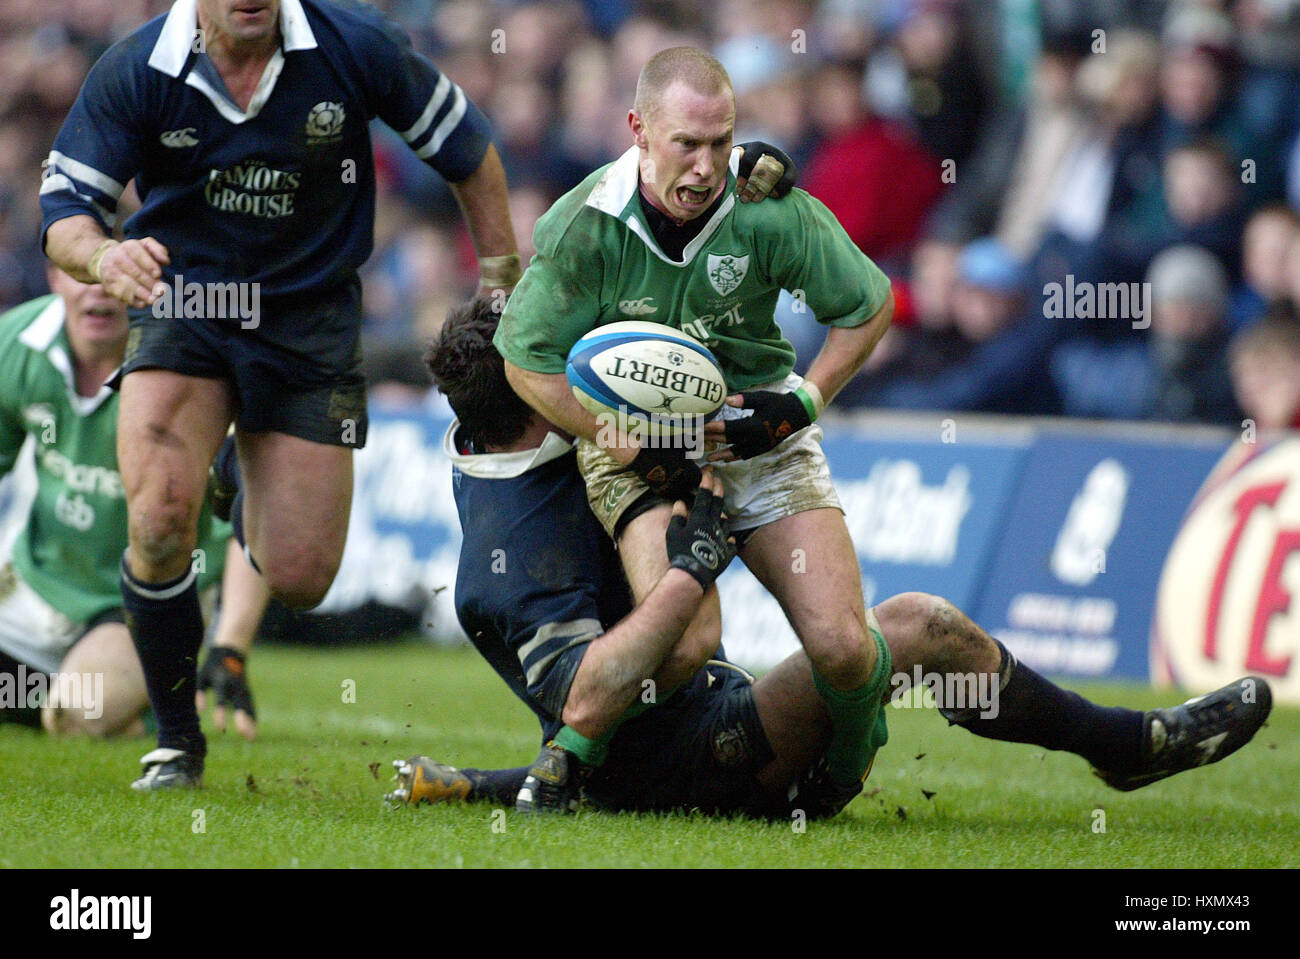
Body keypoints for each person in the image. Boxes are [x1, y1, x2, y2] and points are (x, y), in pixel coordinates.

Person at [385, 297, 1273, 817]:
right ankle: (1127, 744)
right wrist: (693, 565)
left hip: (705, 714)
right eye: (548, 365)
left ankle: (1090, 736)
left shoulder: (527, 436)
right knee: (921, 625)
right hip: (695, 764)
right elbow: (590, 697)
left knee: (879, 639)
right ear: (531, 404)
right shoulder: (507, 557)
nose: (567, 367)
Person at [39, 0, 521, 789]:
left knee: (301, 575)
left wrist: (503, 286)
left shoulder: (355, 46)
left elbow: (470, 151)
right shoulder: (137, 68)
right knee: (159, 514)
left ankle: (232, 464)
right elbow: (63, 210)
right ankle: (177, 742)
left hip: (307, 322)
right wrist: (101, 257)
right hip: (185, 303)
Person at [495, 46, 898, 813]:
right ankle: (571, 753)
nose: (709, 166)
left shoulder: (768, 205)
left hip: (759, 428)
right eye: (687, 143)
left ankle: (850, 756)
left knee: (846, 651)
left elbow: (868, 305)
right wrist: (611, 433)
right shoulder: (585, 226)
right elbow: (524, 360)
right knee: (681, 642)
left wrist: (805, 401)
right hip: (644, 448)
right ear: (638, 131)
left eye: (722, 142)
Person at [0, 266, 264, 738]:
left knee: (76, 714)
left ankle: (147, 697)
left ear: (148, 285)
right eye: (83, 271)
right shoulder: (17, 343)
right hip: (34, 582)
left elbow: (256, 512)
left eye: (116, 274)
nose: (99, 289)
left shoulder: (190, 367)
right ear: (54, 275)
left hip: (140, 601)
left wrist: (230, 649)